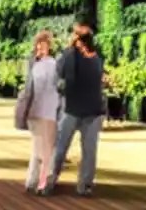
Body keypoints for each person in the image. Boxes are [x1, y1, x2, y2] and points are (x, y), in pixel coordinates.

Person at [47, 20, 105, 197]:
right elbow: (57, 77)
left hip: (93, 110)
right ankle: (49, 181)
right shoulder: (68, 55)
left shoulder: (97, 56)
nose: (79, 37)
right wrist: (62, 88)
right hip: (71, 108)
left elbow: (100, 77)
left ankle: (85, 184)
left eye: (83, 33)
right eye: (77, 33)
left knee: (90, 150)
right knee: (60, 148)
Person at [23, 30, 62, 196]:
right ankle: (35, 180)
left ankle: (43, 181)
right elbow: (29, 89)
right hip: (38, 110)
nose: (41, 48)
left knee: (48, 147)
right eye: (39, 45)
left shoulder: (54, 64)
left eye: (44, 45)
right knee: (39, 146)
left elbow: (58, 86)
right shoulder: (34, 64)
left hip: (50, 109)